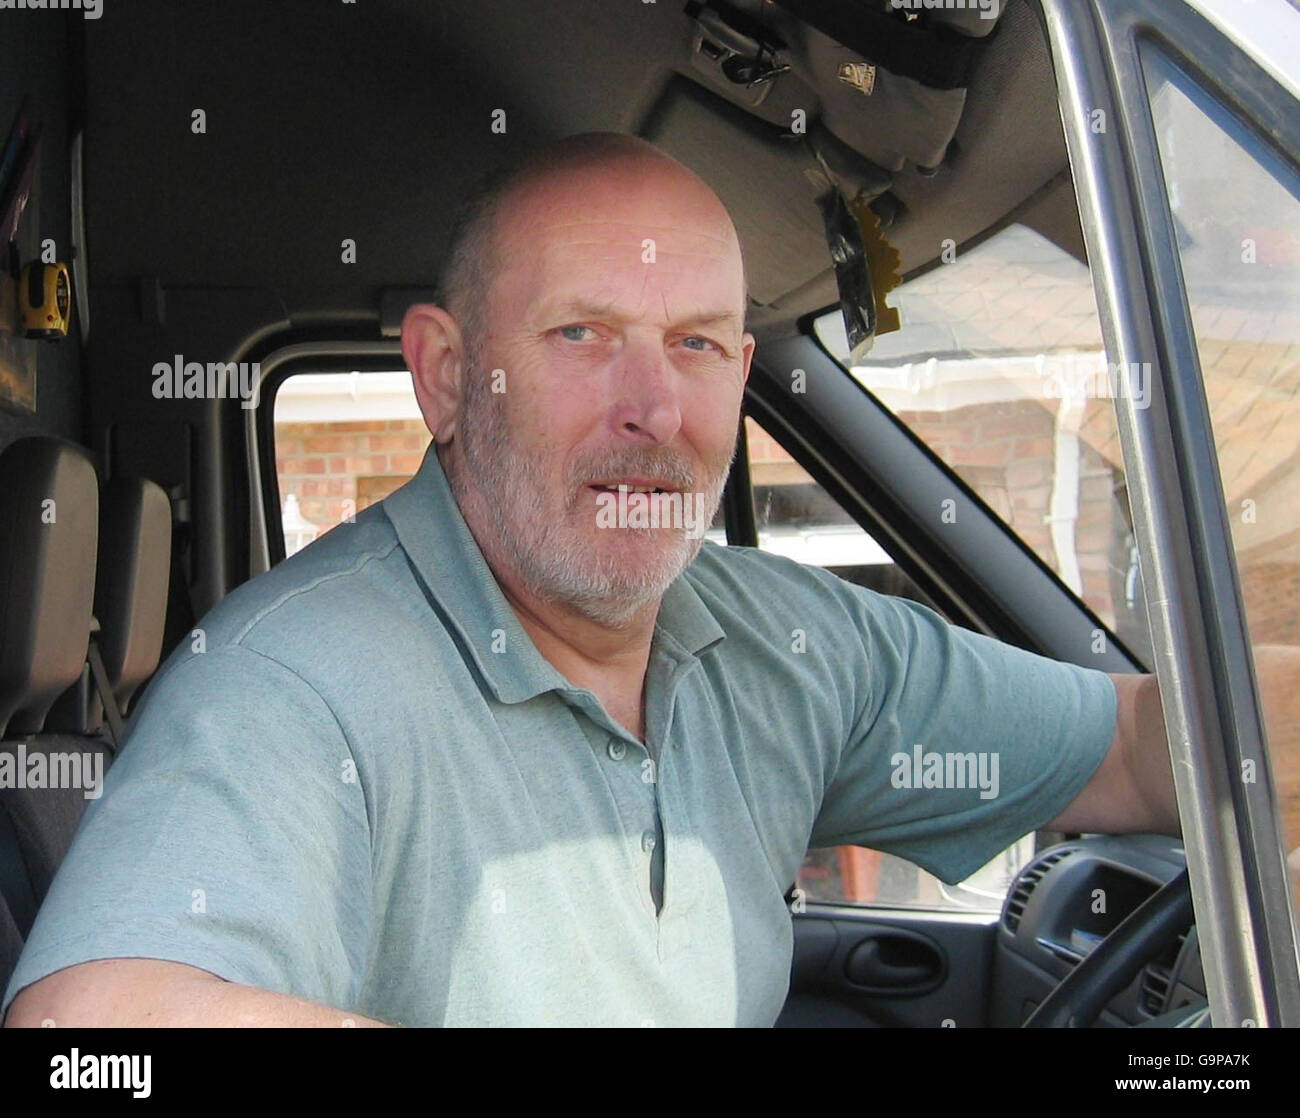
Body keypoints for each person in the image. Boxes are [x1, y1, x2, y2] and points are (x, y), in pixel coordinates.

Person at [3, 133, 1179, 1027]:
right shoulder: (287, 686)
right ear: (449, 376)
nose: (654, 411)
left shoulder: (787, 640)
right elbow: (92, 1029)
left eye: (697, 342)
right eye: (581, 335)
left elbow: (1134, 747)